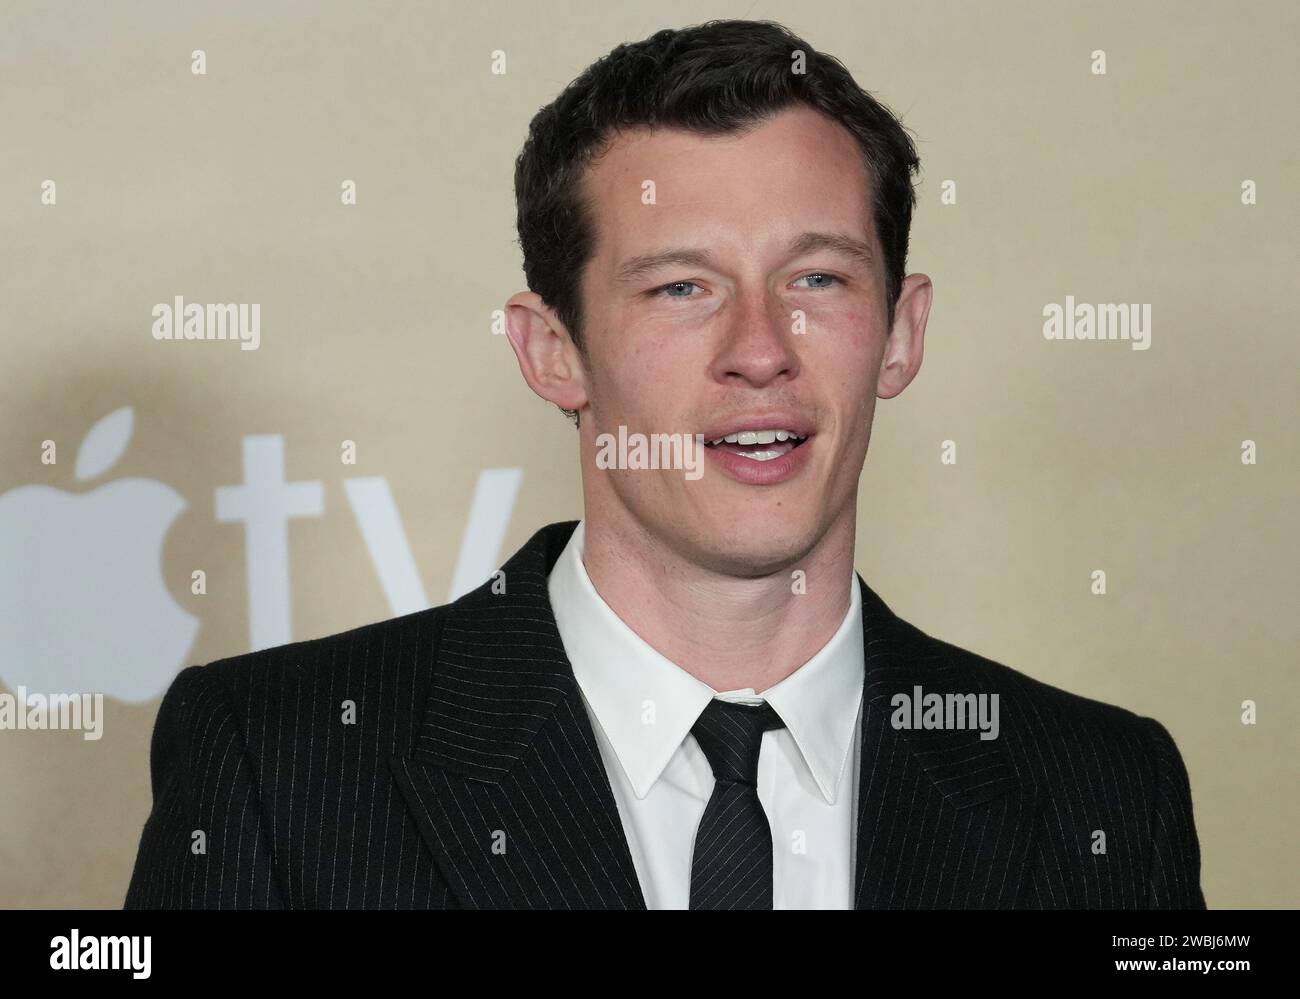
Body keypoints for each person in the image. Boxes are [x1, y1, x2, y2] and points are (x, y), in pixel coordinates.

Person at [125, 18, 1205, 909]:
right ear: (554, 352)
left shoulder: (1102, 792)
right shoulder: (280, 765)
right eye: (681, 287)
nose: (760, 350)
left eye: (819, 279)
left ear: (901, 333)